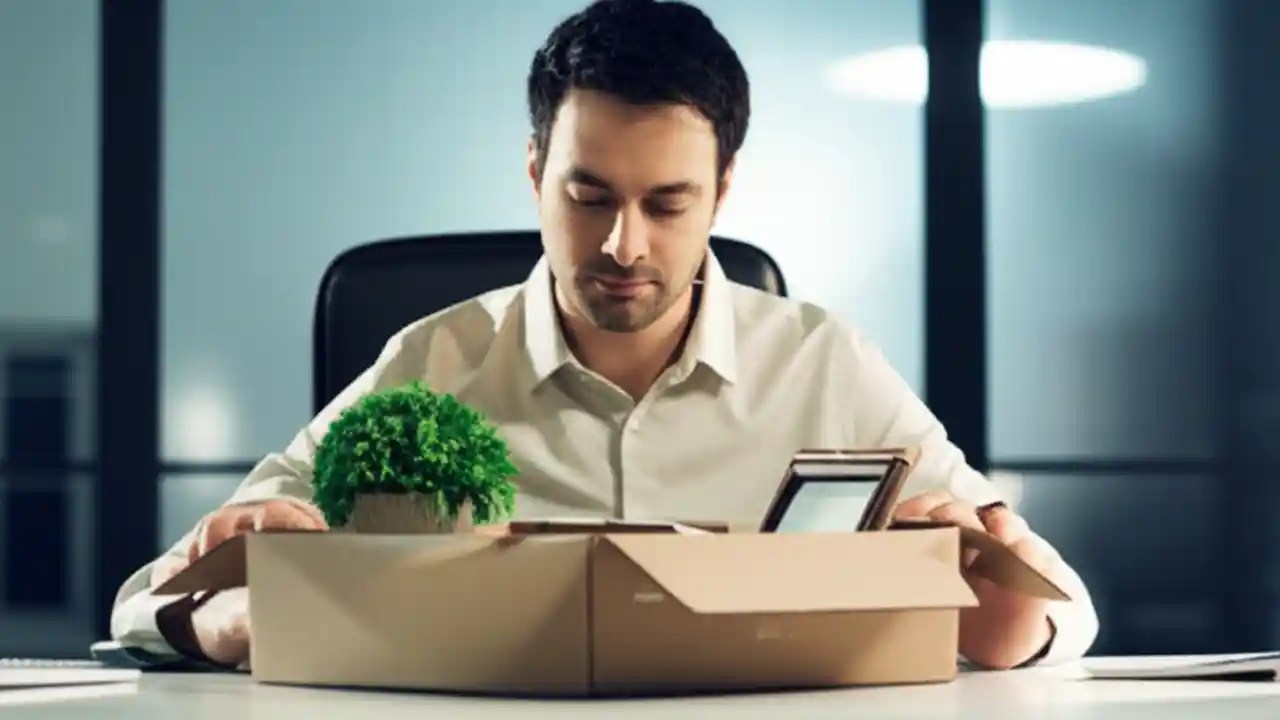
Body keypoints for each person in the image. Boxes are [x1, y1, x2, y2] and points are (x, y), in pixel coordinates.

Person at [111, 0, 1097, 671]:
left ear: (722, 192)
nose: (623, 244)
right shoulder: (430, 360)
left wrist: (1008, 621)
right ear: (533, 170)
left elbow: (1064, 610)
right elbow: (141, 606)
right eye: (587, 195)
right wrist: (240, 614)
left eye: (668, 203)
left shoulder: (822, 361)